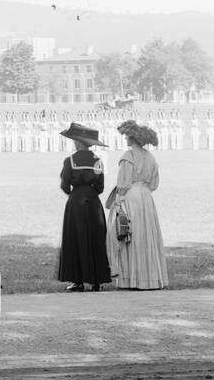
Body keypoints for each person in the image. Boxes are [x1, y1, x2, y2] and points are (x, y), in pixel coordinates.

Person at [107, 120, 167, 290]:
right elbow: (154, 183)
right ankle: (150, 278)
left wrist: (118, 201)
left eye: (127, 137)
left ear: (132, 139)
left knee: (129, 236)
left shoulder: (128, 156)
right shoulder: (150, 157)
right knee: (146, 235)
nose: (125, 139)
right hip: (146, 197)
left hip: (131, 195)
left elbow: (123, 182)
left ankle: (130, 279)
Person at [57, 123, 110, 292]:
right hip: (93, 202)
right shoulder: (98, 161)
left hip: (76, 202)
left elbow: (64, 184)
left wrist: (74, 194)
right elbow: (101, 187)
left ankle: (78, 281)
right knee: (96, 238)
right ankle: (96, 281)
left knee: (75, 238)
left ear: (78, 143)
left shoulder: (70, 160)